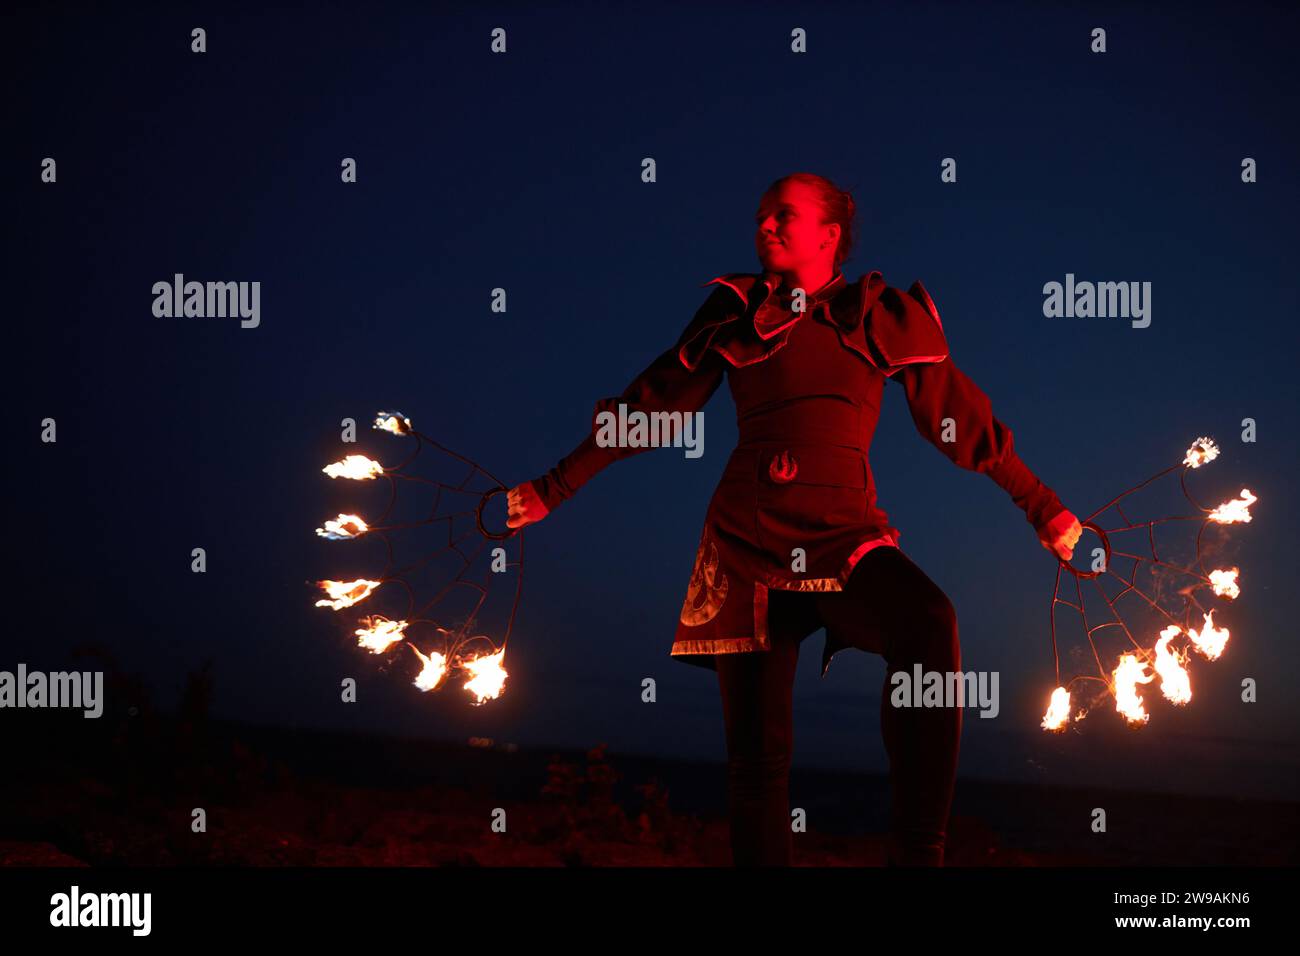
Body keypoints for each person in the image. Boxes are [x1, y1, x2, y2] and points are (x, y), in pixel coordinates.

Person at [506, 172, 1083, 866]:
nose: (766, 227)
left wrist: (1042, 506)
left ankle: (920, 855)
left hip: (843, 538)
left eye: (784, 215)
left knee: (929, 622)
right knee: (758, 764)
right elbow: (651, 405)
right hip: (742, 546)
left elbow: (959, 419)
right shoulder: (733, 313)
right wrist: (554, 486)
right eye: (760, 217)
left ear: (830, 236)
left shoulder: (880, 313)